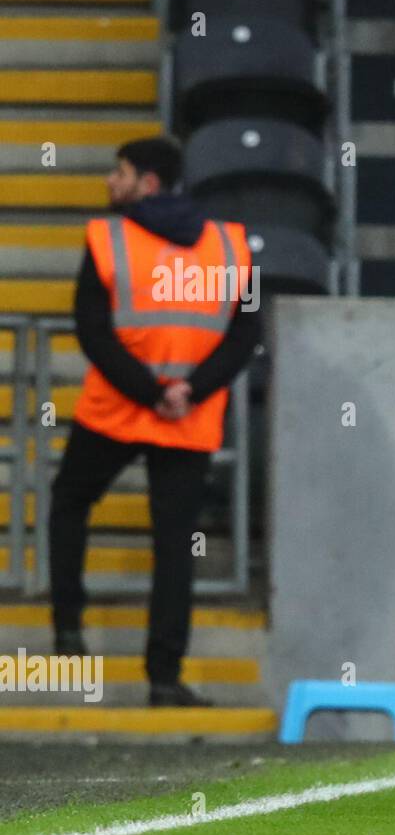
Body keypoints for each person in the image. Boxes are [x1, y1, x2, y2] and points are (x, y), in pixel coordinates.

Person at [49, 136, 262, 707]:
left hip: (117, 408)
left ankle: (68, 629)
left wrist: (149, 391)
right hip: (188, 416)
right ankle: (164, 678)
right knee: (175, 547)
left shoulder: (107, 238)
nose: (108, 182)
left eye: (118, 172)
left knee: (69, 500)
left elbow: (90, 328)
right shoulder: (233, 244)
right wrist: (188, 390)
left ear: (146, 182)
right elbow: (246, 334)